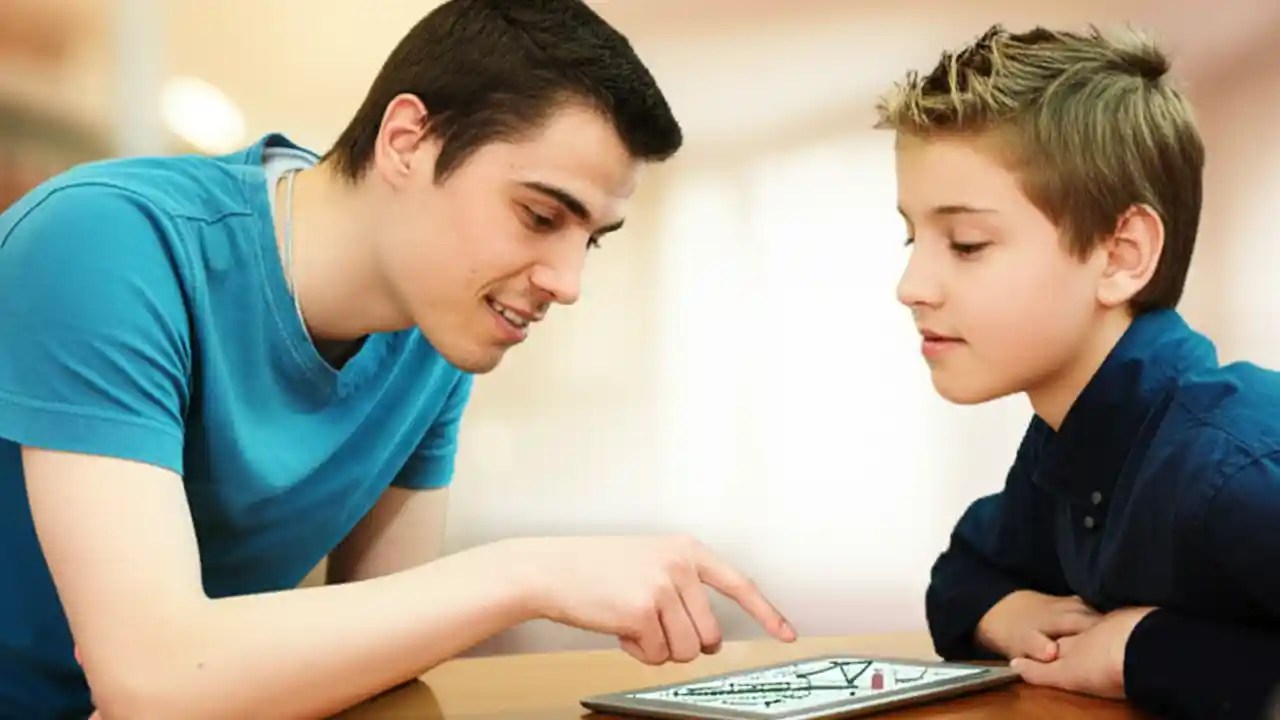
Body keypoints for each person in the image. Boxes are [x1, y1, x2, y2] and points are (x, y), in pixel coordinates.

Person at [0, 1, 797, 717]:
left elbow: (384, 650)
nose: (568, 281)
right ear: (407, 140)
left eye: (589, 238)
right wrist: (528, 573)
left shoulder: (435, 334)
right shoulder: (105, 243)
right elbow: (154, 680)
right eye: (539, 214)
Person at [875, 23, 1280, 720]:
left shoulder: (1235, 467)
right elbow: (964, 571)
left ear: (1120, 255)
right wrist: (1011, 611)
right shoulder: (1075, 434)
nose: (910, 285)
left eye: (967, 243)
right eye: (915, 237)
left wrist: (1143, 653)